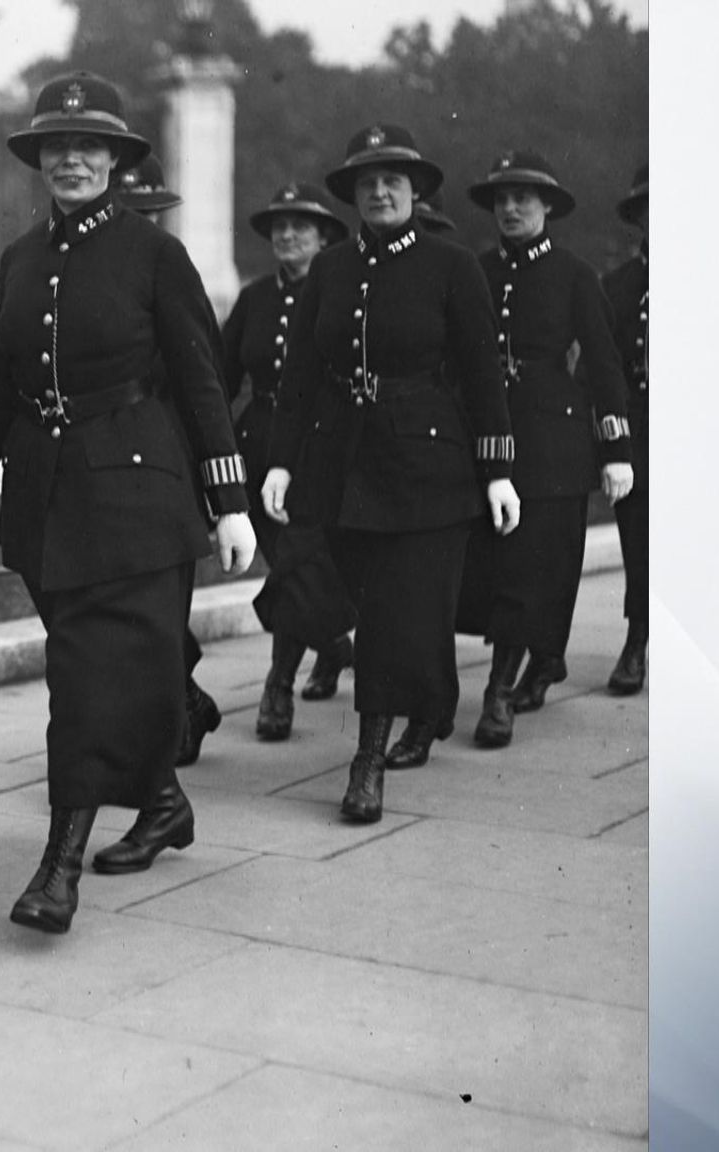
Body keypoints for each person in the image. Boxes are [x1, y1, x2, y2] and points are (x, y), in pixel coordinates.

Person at [0, 73, 255, 931]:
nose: (71, 160)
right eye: (57, 146)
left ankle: (59, 868)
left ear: (116, 160)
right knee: (104, 674)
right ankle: (164, 803)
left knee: (83, 682)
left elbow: (201, 381)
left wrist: (228, 499)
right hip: (48, 503)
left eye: (89, 147)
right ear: (39, 158)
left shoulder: (155, 255)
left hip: (134, 497)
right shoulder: (21, 259)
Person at [259, 123, 520, 821]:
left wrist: (497, 468)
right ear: (353, 195)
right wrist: (281, 461)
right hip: (342, 462)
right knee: (329, 590)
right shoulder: (331, 269)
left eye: (392, 181)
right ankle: (429, 702)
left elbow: (482, 374)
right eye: (367, 182)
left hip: (426, 465)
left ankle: (366, 762)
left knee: (392, 613)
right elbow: (299, 375)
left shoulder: (450, 266)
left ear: (414, 191)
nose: (379, 192)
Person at [458, 151, 634, 746]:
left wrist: (616, 448)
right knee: (498, 566)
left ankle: (499, 692)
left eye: (523, 198)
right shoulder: (476, 271)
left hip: (554, 442)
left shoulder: (574, 275)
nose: (510, 209)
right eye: (502, 199)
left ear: (548, 207)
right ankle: (539, 661)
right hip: (488, 436)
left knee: (539, 566)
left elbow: (604, 365)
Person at [222, 181, 357, 742]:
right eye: (279, 226)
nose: (288, 235)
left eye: (301, 226)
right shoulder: (254, 298)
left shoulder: (342, 293)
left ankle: (278, 685)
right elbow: (222, 375)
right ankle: (335, 647)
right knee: (287, 566)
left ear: (324, 237)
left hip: (317, 448)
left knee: (297, 566)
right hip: (258, 447)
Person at [116, 160, 224, 768]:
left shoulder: (170, 268)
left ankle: (178, 708)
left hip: (167, 459)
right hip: (105, 461)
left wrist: (213, 479)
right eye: (133, 211)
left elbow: (207, 374)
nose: (144, 223)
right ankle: (182, 701)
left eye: (151, 212)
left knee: (161, 599)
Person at [601, 165, 648, 694]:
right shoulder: (617, 286)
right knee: (637, 539)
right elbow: (603, 365)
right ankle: (637, 639)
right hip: (638, 425)